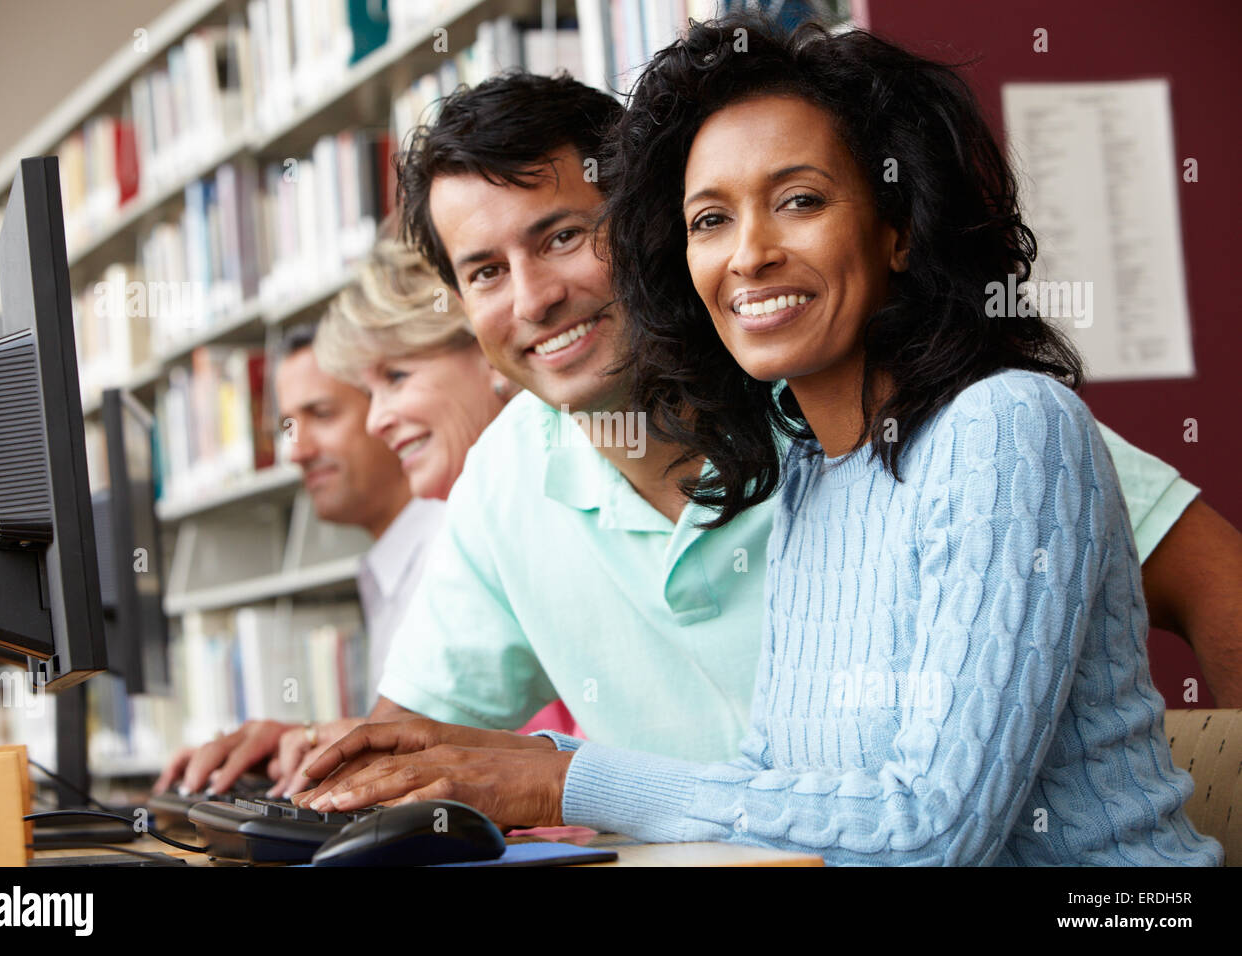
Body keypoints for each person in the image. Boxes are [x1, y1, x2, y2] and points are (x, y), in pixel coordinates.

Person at [291, 67, 1242, 828]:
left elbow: (932, 825)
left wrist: (558, 785)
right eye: (713, 219)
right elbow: (770, 778)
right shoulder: (814, 461)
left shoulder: (981, 423)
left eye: (567, 236)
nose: (534, 297)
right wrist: (421, 772)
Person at [266, 239, 581, 797]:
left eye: (396, 378)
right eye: (368, 390)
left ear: (489, 350)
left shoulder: (546, 491)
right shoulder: (489, 515)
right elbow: (415, 725)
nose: (377, 420)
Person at [153, 325, 436, 796]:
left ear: (390, 409)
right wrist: (298, 744)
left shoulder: (449, 554)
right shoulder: (387, 565)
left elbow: (464, 756)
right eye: (287, 425)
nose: (296, 451)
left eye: (321, 415)